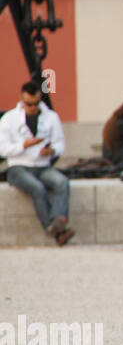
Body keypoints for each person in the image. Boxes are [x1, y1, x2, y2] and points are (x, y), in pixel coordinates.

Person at [0, 80, 74, 245]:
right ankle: (54, 228)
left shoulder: (51, 117)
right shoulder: (9, 119)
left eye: (36, 104)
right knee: (37, 188)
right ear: (22, 99)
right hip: (18, 167)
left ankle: (58, 221)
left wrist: (51, 150)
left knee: (62, 182)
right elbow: (2, 148)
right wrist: (23, 145)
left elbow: (60, 143)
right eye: (29, 104)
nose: (33, 108)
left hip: (42, 165)